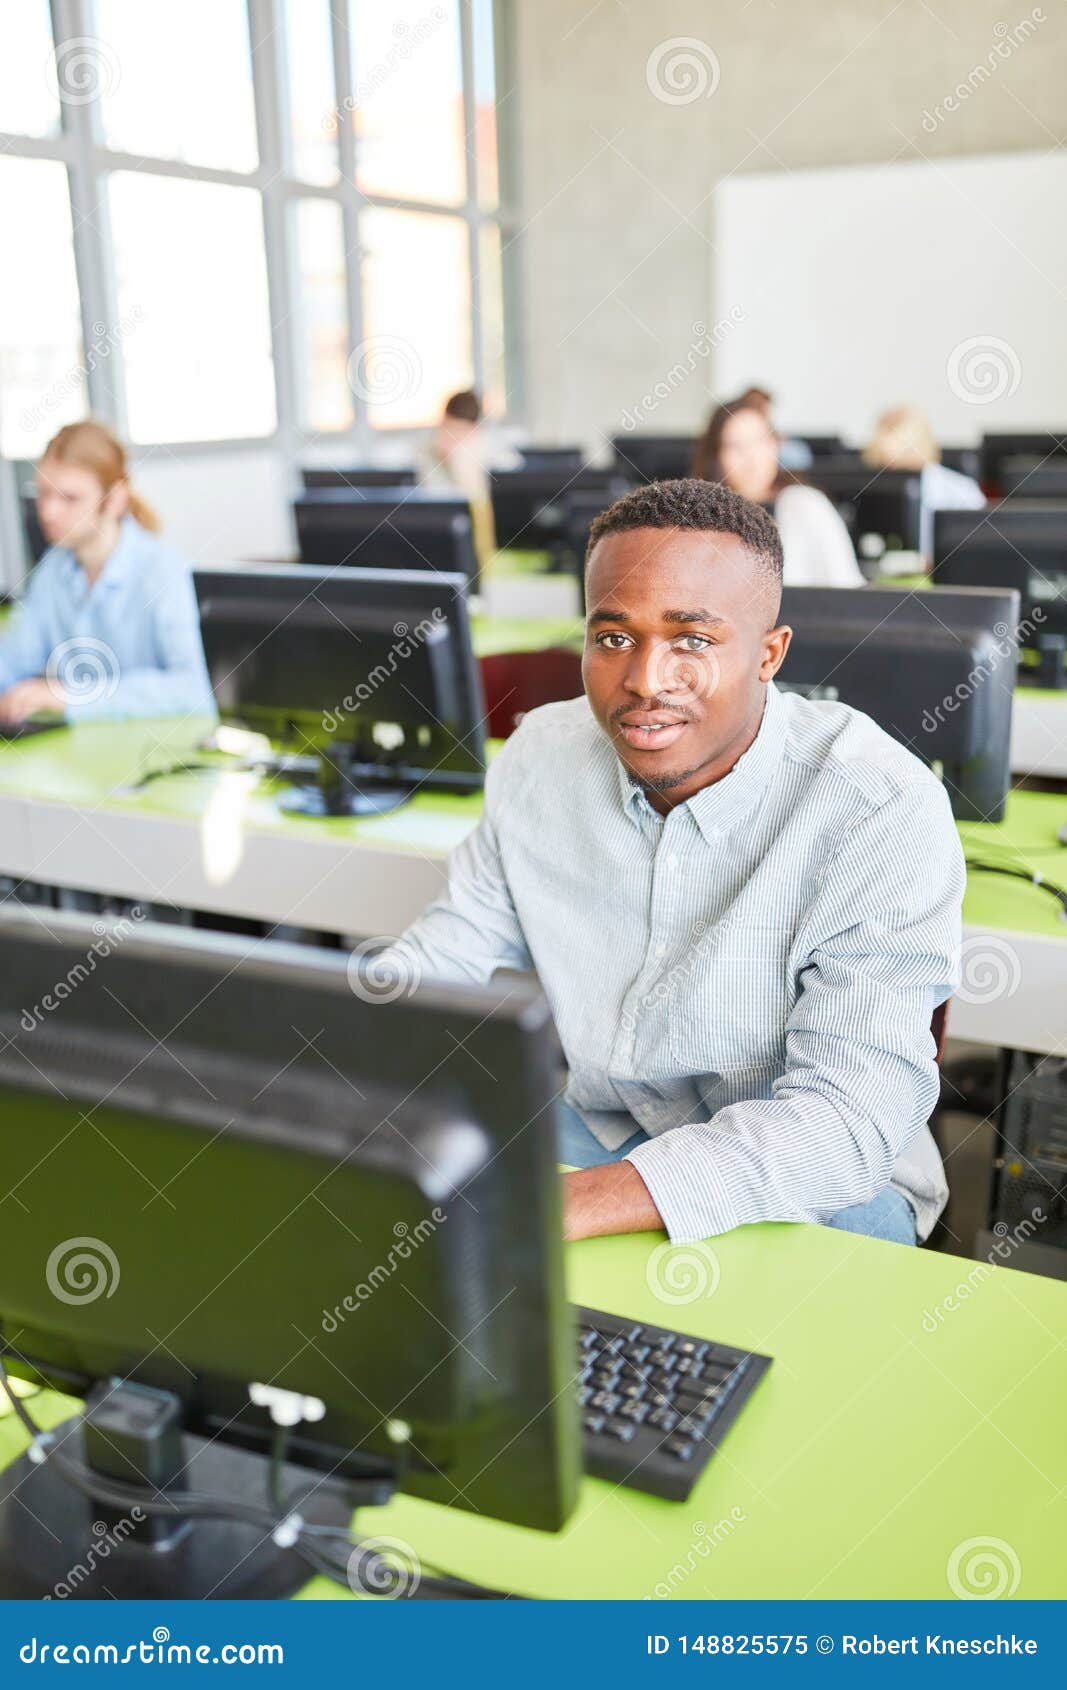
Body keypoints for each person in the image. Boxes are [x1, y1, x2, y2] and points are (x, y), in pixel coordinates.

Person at [378, 478, 964, 1248]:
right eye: (613, 637)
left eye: (692, 639)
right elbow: (444, 954)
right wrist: (306, 1061)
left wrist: (575, 1205)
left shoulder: (877, 808)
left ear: (768, 654)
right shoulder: (539, 757)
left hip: (822, 1181)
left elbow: (843, 1125)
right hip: (598, 1129)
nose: (645, 682)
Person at [0, 420, 213, 724]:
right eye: (43, 494)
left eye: (69, 498)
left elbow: (192, 692)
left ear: (114, 500)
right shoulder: (54, 566)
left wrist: (70, 696)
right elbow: (16, 657)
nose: (48, 512)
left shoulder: (160, 568)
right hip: (78, 753)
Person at [692, 393, 863, 586]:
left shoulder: (805, 503)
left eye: (758, 442)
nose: (750, 457)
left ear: (775, 445)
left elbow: (846, 584)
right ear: (716, 457)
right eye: (735, 446)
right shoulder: (704, 518)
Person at [864, 404, 985, 563]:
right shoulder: (867, 490)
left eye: (904, 465)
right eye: (887, 466)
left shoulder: (962, 492)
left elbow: (978, 552)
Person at [418, 388, 495, 569]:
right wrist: (441, 458)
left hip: (483, 540)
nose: (453, 437)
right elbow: (428, 496)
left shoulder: (487, 448)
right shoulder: (430, 449)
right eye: (448, 428)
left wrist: (457, 459)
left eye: (459, 431)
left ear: (474, 429)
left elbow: (477, 498)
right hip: (439, 539)